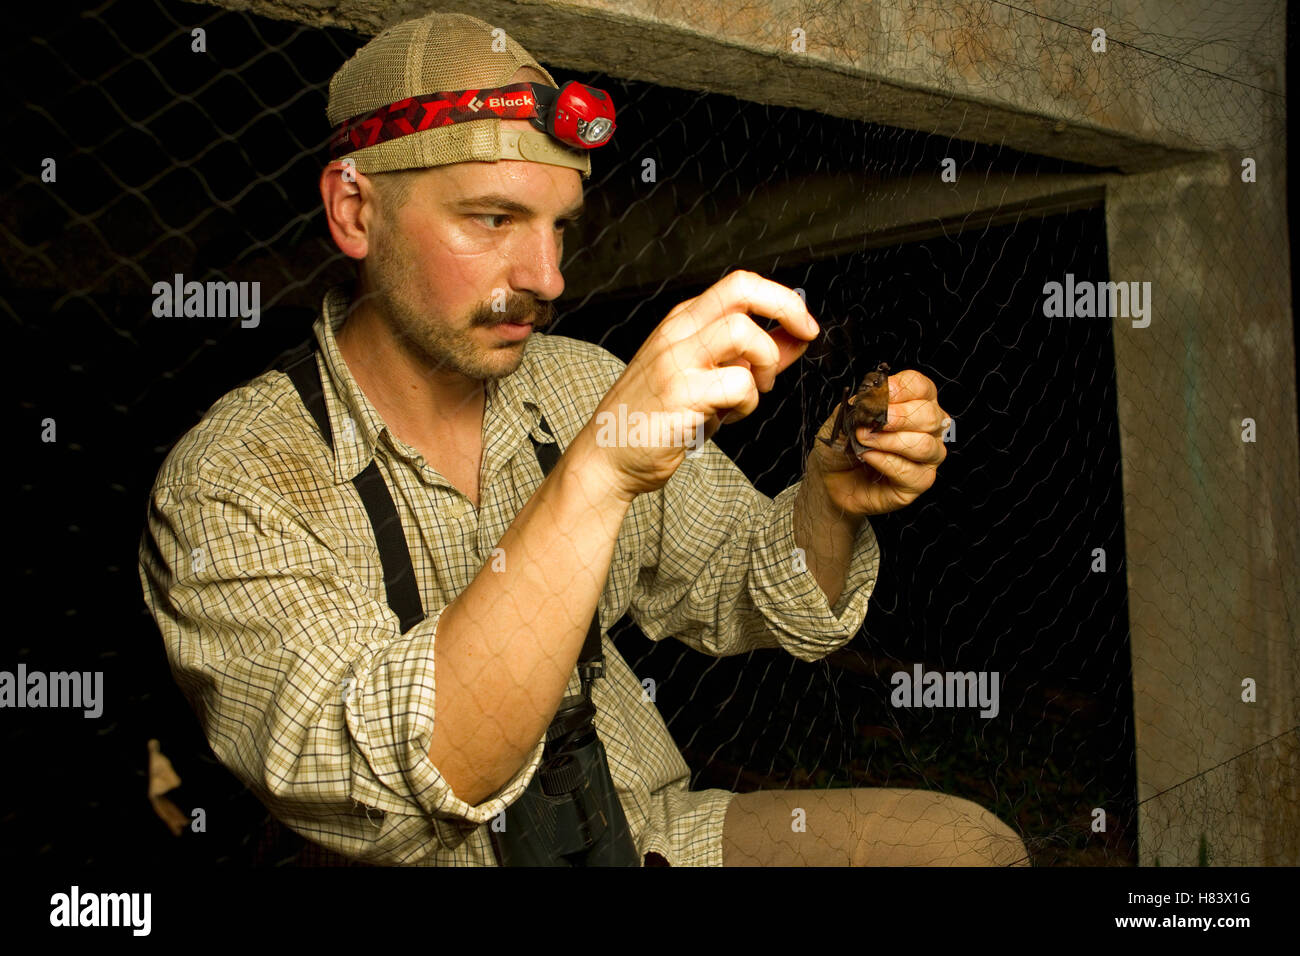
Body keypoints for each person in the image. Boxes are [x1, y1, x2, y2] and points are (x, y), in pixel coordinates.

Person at [138, 10, 1027, 867]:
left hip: (641, 834)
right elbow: (393, 789)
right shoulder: (235, 478)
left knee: (969, 848)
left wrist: (831, 497)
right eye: (492, 220)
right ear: (354, 211)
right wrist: (596, 471)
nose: (547, 277)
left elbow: (751, 590)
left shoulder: (573, 383)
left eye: (559, 224)